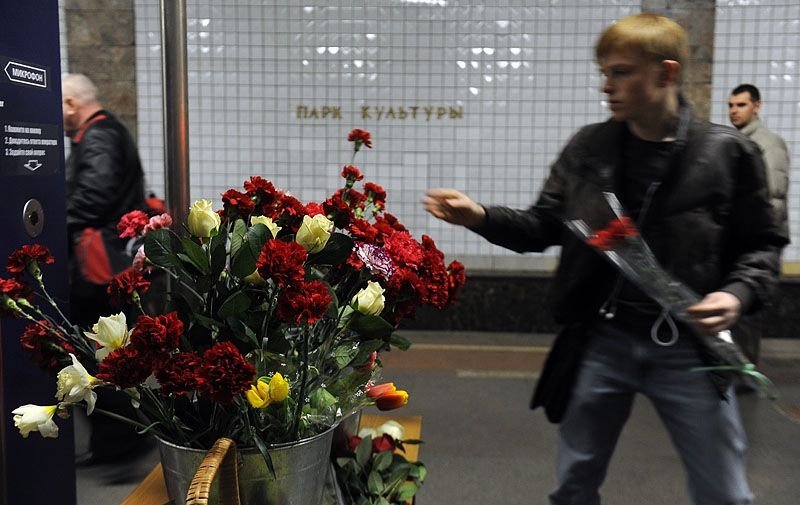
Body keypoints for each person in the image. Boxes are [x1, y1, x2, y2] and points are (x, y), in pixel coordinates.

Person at [423, 13, 787, 505]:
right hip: (603, 340)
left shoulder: (727, 153)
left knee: (723, 490)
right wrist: (480, 216)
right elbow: (543, 226)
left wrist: (735, 294)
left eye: (621, 72)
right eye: (604, 73)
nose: (606, 86)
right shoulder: (590, 148)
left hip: (688, 350)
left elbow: (762, 244)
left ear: (666, 73)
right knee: (574, 483)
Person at [62, 73, 150, 469]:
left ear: (71, 104)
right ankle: (122, 436)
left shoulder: (98, 137)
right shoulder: (109, 131)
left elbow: (93, 197)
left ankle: (119, 439)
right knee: (104, 350)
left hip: (99, 268)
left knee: (94, 352)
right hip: (110, 264)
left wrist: (47, 224)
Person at [727, 84, 790, 367]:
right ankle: (737, 371)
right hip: (741, 239)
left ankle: (745, 378)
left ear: (757, 106)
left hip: (756, 241)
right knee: (737, 311)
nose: (734, 111)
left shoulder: (768, 143)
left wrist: (761, 243)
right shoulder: (735, 142)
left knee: (748, 310)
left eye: (741, 105)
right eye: (731, 105)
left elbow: (773, 197)